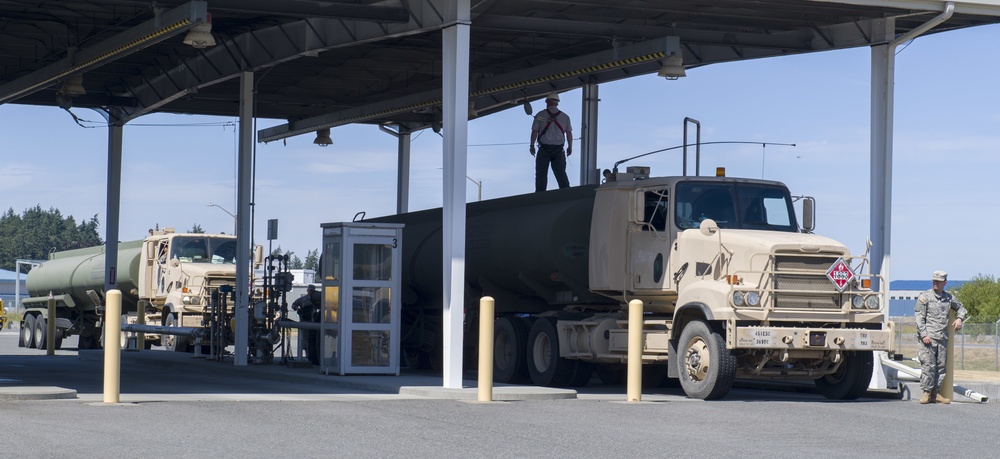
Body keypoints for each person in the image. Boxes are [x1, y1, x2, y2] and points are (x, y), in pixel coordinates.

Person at [914, 270, 967, 404]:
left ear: (945, 283)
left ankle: (936, 394)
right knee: (928, 366)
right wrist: (924, 334)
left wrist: (960, 318)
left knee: (941, 367)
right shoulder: (925, 297)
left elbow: (961, 308)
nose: (935, 283)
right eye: (934, 281)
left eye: (938, 281)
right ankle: (926, 392)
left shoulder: (948, 298)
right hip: (928, 339)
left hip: (942, 339)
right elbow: (919, 317)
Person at [529, 92, 572, 192]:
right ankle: (566, 194)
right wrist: (570, 147)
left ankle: (540, 195)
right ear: (557, 103)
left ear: (547, 102)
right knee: (561, 173)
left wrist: (532, 145)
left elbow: (534, 132)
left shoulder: (540, 115)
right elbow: (569, 134)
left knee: (541, 174)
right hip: (558, 150)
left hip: (544, 149)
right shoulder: (565, 117)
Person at [291, 284, 322, 364]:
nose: (310, 292)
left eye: (312, 291)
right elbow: (294, 304)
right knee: (304, 341)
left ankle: (311, 356)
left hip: (314, 323)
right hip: (304, 322)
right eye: (309, 290)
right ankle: (307, 356)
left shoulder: (316, 300)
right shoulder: (303, 299)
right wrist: (297, 309)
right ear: (307, 290)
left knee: (313, 341)